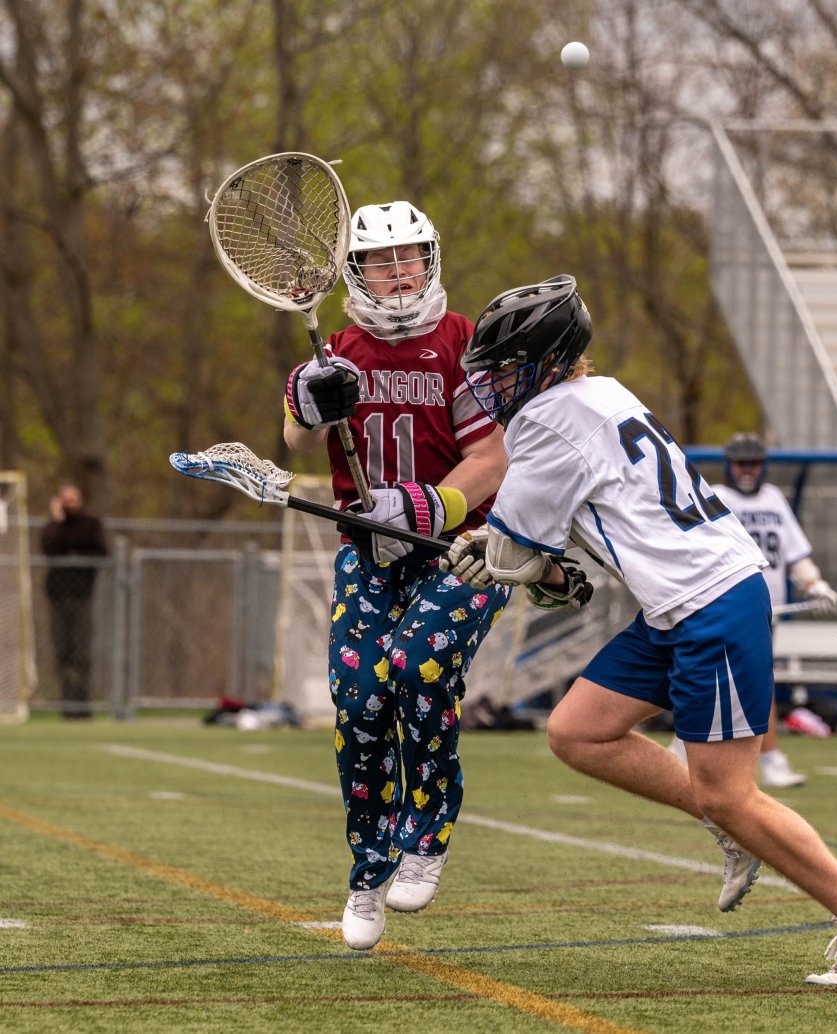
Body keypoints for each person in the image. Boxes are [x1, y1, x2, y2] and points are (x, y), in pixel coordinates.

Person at [443, 275, 837, 986]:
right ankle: (728, 823)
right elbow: (554, 545)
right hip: (678, 603)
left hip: (709, 602)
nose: (495, 383)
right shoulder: (602, 395)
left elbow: (514, 554)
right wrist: (513, 558)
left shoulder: (545, 421)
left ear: (543, 361)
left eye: (506, 368)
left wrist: (487, 553)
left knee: (731, 790)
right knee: (578, 730)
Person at [282, 200, 510, 951]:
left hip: (465, 546)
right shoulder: (338, 350)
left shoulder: (464, 343)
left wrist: (423, 506)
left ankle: (427, 833)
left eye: (411, 255)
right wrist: (310, 401)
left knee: (417, 668)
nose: (401, 270)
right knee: (359, 701)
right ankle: (366, 870)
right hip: (367, 550)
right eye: (383, 259)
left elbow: (492, 460)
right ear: (356, 270)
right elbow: (292, 431)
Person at [688, 433, 837, 789]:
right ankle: (764, 760)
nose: (747, 470)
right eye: (741, 463)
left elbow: (794, 552)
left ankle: (756, 759)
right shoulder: (716, 497)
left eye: (753, 463)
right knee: (717, 682)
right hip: (724, 603)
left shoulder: (773, 497)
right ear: (729, 465)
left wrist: (814, 584)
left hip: (763, 611)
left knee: (749, 685)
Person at [40, 482, 109, 719]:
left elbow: (102, 551)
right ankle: (67, 705)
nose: (70, 505)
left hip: (82, 596)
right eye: (65, 501)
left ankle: (83, 705)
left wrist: (75, 556)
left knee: (82, 653)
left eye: (73, 500)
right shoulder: (53, 527)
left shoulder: (91, 525)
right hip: (58, 596)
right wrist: (58, 520)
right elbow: (49, 548)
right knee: (63, 653)